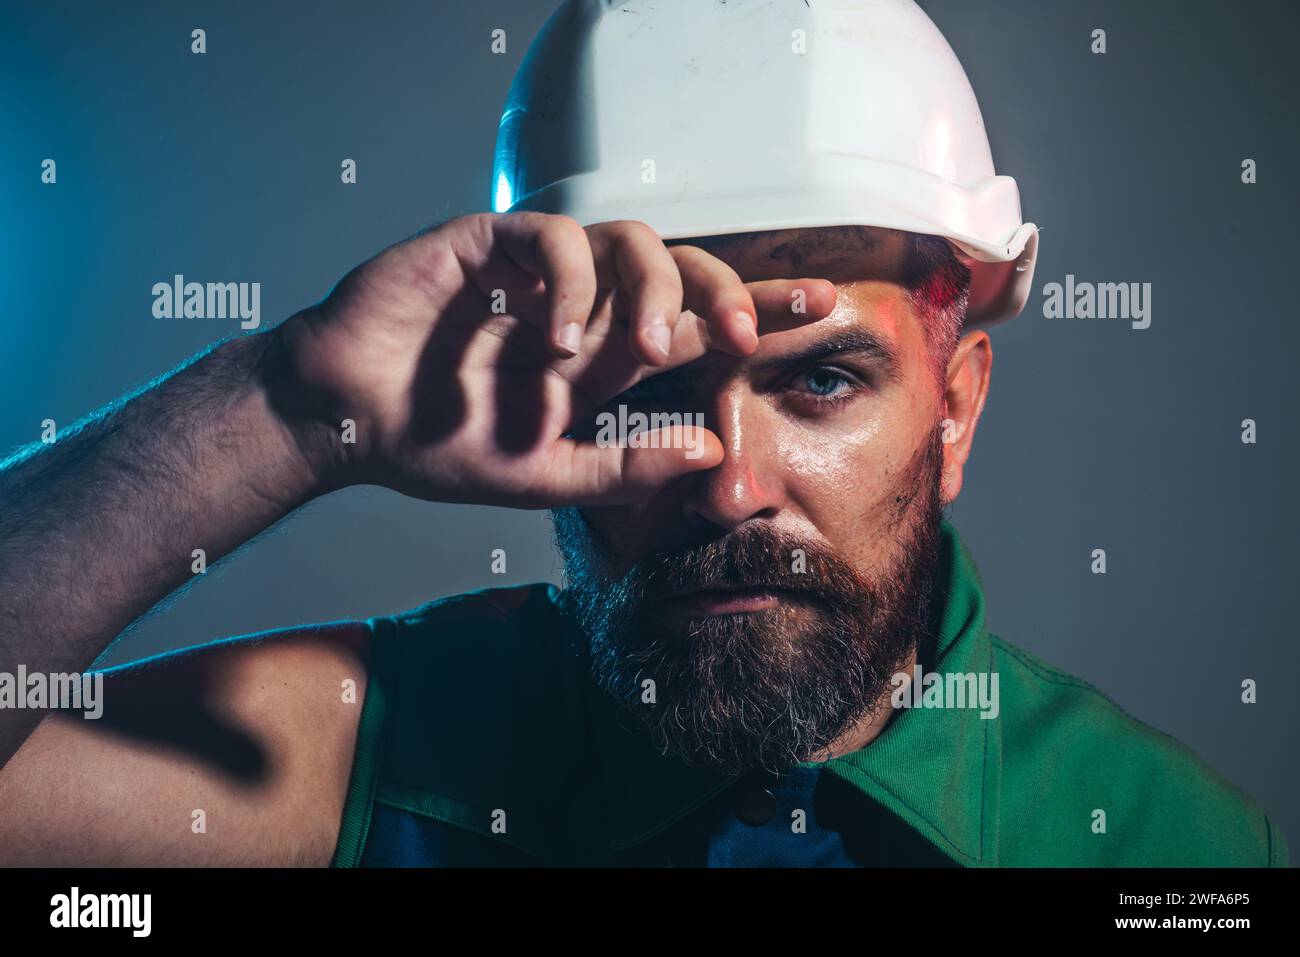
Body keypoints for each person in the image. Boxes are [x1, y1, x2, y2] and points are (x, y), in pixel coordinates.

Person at [0, 0, 1285, 867]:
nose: (728, 487)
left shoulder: (1177, 848)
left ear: (953, 411)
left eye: (820, 384)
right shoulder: (375, 745)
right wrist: (283, 411)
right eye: (642, 393)